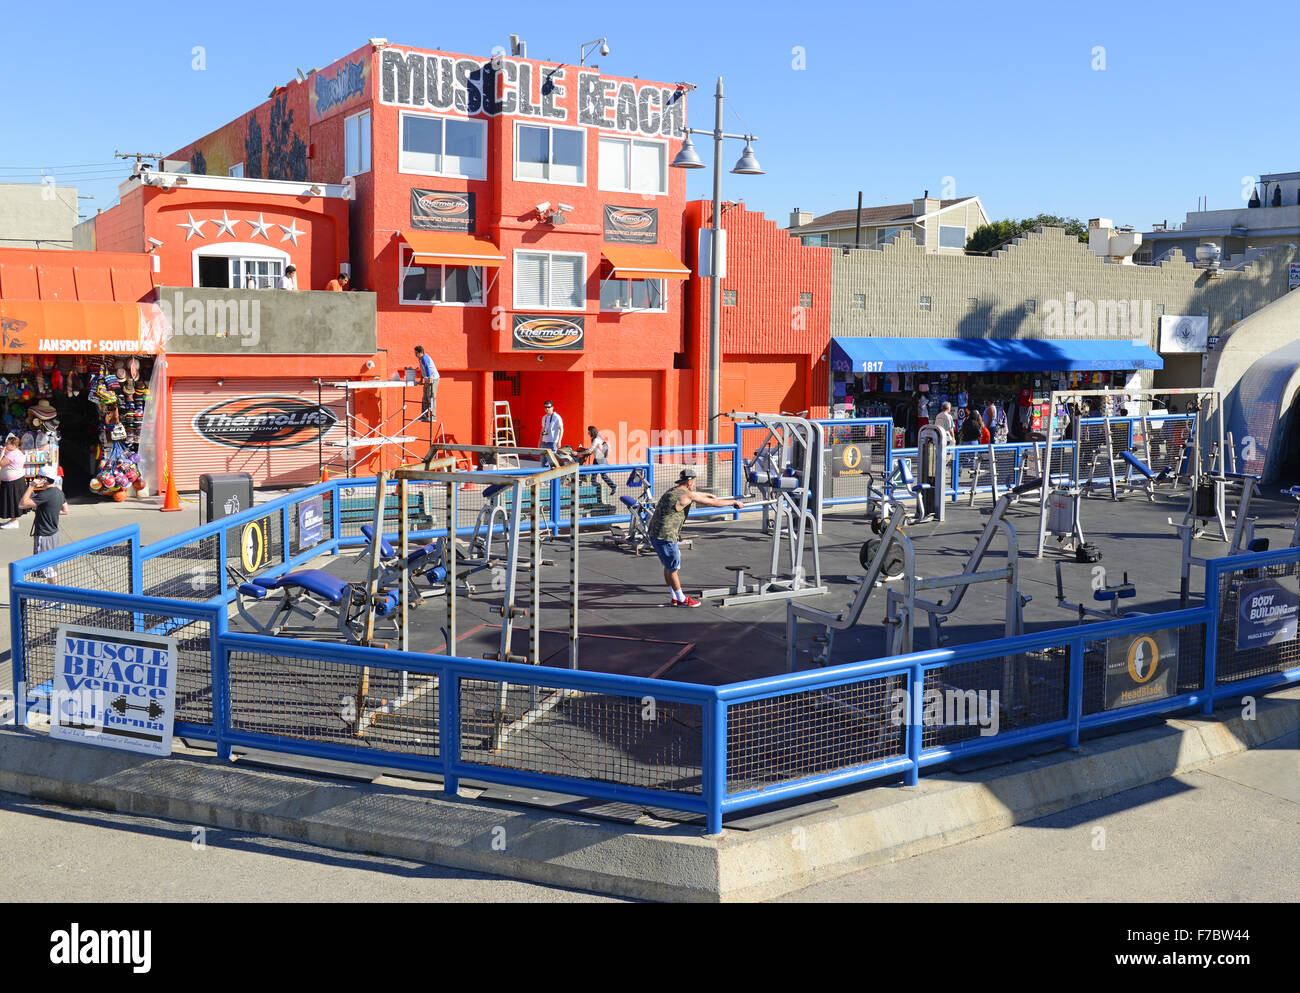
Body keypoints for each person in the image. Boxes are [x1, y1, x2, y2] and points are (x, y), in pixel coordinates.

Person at [645, 468, 743, 608]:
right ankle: (682, 599)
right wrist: (733, 502)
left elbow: (697, 495)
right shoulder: (686, 496)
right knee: (673, 569)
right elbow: (711, 504)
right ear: (689, 481)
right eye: (694, 482)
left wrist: (709, 494)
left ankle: (674, 597)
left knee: (669, 566)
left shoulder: (673, 491)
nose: (694, 485)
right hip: (666, 536)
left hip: (656, 534)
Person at [20, 466, 68, 581]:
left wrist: (31, 486)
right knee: (50, 565)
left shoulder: (45, 494)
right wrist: (48, 511)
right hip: (53, 534)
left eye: (38, 477)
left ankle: (54, 596)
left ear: (44, 479)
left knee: (46, 568)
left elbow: (22, 504)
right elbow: (65, 510)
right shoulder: (59, 492)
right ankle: (53, 596)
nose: (36, 479)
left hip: (44, 535)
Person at [576, 425, 618, 503]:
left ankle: (607, 489)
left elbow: (590, 451)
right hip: (598, 459)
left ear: (592, 431)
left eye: (589, 431)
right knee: (595, 478)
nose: (588, 433)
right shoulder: (599, 438)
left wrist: (578, 453)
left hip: (600, 460)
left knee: (601, 476)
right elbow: (594, 450)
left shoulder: (596, 440)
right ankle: (609, 488)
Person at [0, 434, 27, 528]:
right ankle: (13, 520)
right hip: (16, 480)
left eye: (7, 444)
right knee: (13, 501)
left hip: (12, 481)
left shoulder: (12, 453)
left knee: (11, 501)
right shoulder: (18, 452)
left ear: (14, 445)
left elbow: (1, 463)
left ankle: (14, 521)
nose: (5, 445)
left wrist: (2, 453)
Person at [414, 345, 438, 422]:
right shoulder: (420, 359)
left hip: (433, 378)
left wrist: (429, 379)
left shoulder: (424, 358)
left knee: (431, 397)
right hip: (428, 378)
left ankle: (433, 416)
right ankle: (424, 416)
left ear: (420, 352)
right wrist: (422, 380)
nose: (415, 354)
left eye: (416, 353)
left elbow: (427, 368)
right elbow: (423, 370)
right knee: (425, 397)